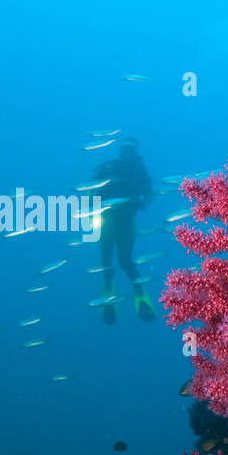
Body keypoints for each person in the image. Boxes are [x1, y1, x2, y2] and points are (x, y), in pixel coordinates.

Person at [91, 138, 154, 323]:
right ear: (120, 150)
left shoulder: (139, 171)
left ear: (135, 152)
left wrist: (143, 203)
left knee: (124, 259)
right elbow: (89, 189)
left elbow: (149, 192)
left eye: (130, 149)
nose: (127, 152)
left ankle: (138, 288)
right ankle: (108, 285)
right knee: (105, 257)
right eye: (124, 149)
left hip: (127, 221)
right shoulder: (107, 167)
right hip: (105, 219)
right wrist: (90, 211)